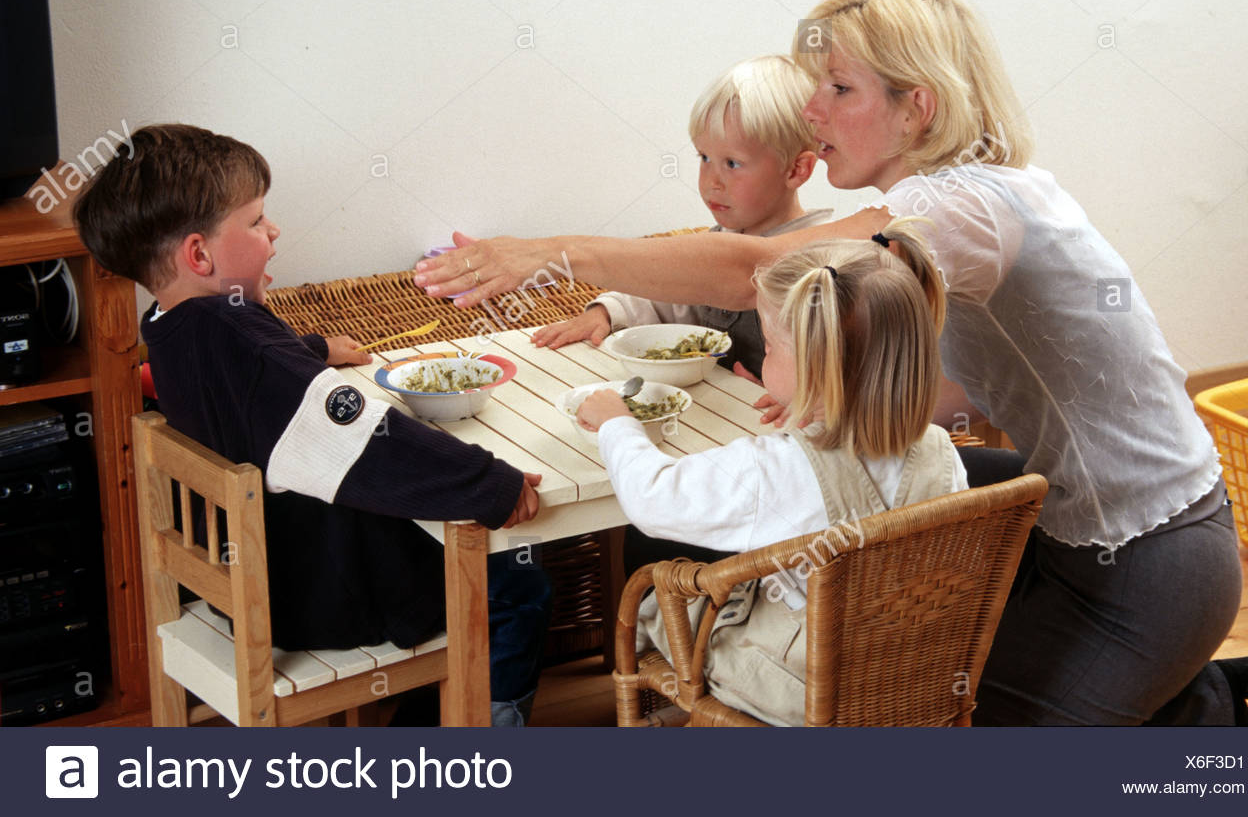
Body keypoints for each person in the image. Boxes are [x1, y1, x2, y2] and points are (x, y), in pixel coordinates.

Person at [413, 0, 1248, 726]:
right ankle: (1197, 690)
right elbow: (946, 386)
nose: (811, 108)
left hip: (1143, 558)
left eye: (838, 87)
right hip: (1062, 512)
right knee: (899, 623)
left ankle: (1202, 705)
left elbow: (766, 268)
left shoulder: (963, 208)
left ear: (921, 106)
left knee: (937, 727)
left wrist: (552, 251)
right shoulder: (958, 206)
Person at [75, 124, 550, 726]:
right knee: (516, 579)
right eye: (255, 221)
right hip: (326, 591)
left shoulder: (170, 327)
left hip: (261, 577)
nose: (273, 231)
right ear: (199, 254)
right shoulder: (250, 347)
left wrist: (312, 348)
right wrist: (491, 485)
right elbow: (372, 445)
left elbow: (245, 380)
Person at [576, 231, 967, 726]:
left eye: (772, 346)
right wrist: (807, 401)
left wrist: (617, 423)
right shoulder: (941, 450)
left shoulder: (779, 468)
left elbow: (652, 499)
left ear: (814, 365)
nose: (764, 356)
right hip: (909, 678)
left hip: (800, 691)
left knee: (656, 605)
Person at [533, 54, 831, 379]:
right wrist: (607, 312)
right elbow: (666, 294)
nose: (711, 181)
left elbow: (843, 368)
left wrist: (795, 393)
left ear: (796, 169)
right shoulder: (721, 240)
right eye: (704, 157)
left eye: (732, 163)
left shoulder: (824, 263)